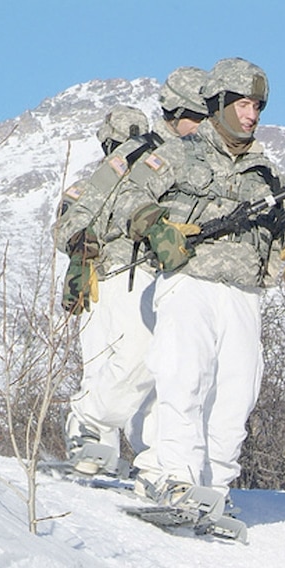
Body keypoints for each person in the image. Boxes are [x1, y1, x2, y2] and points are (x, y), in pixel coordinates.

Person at [111, 57, 285, 522]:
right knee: (184, 378)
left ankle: (216, 487)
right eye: (244, 104)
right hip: (189, 281)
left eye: (258, 107)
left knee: (236, 394)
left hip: (245, 292)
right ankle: (177, 479)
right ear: (220, 103)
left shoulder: (266, 174)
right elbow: (128, 196)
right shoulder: (179, 153)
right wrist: (157, 228)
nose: (252, 115)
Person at [56, 68, 209, 476]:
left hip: (173, 275)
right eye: (198, 115)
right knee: (127, 361)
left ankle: (157, 461)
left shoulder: (200, 159)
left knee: (166, 374)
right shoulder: (141, 154)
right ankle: (90, 436)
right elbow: (82, 212)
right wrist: (84, 252)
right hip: (123, 269)